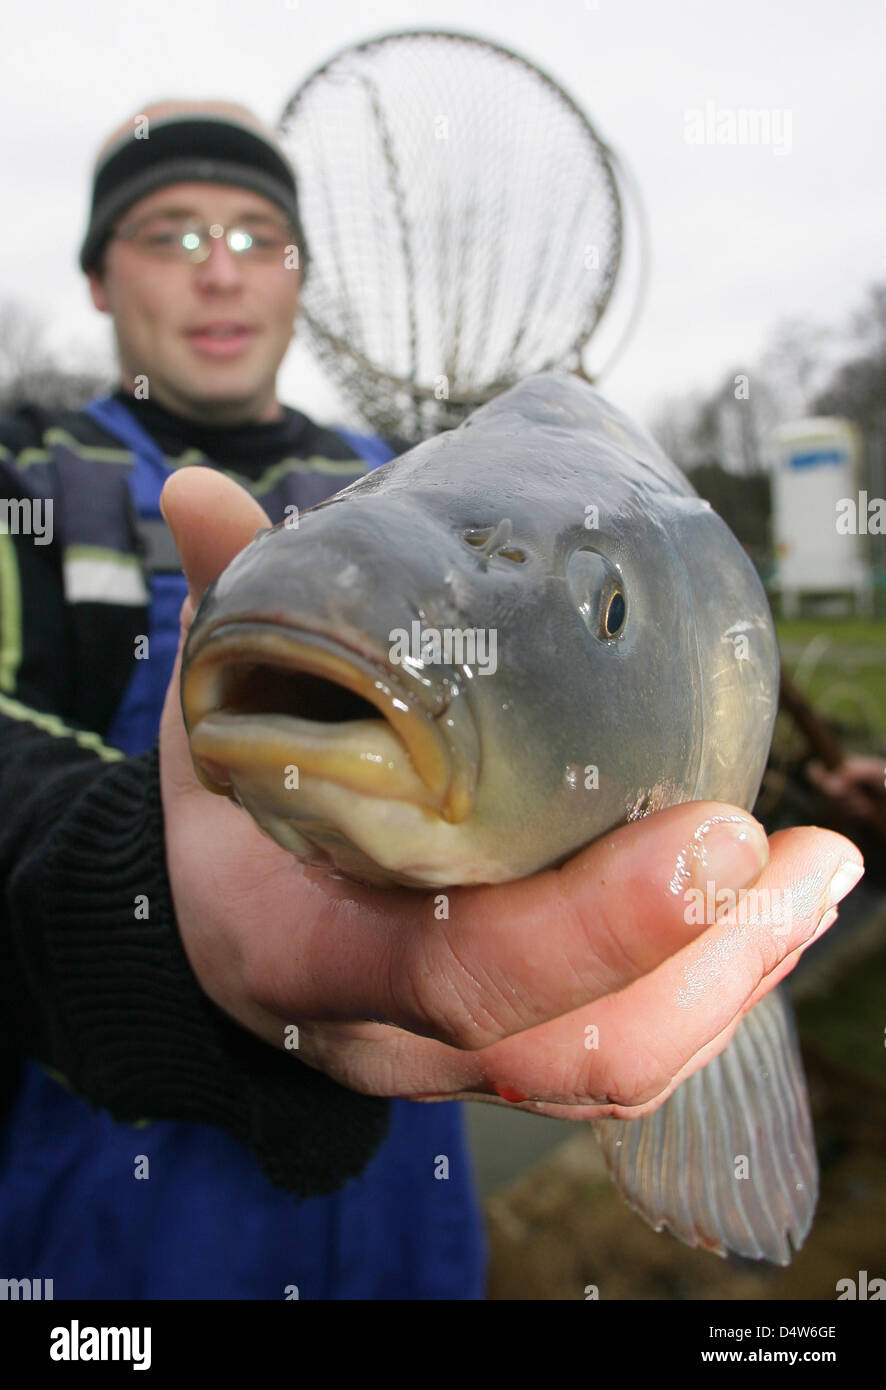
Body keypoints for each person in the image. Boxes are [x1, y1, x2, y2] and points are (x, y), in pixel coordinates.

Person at [0, 99, 864, 1300]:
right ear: (98, 279)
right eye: (171, 233)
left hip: (408, 1241)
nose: (219, 273)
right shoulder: (28, 481)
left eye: (255, 234)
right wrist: (139, 908)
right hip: (102, 1242)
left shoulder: (393, 461)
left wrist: (819, 801)